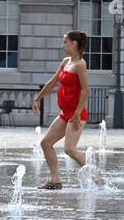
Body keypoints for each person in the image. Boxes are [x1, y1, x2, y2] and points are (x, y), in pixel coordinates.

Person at [32, 31, 90, 190]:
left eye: (65, 42)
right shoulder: (66, 61)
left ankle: (96, 177)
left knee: (69, 149)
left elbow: (86, 90)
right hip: (66, 113)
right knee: (46, 143)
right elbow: (52, 82)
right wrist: (38, 98)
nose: (62, 45)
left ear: (74, 44)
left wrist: (78, 113)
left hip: (76, 114)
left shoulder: (80, 64)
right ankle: (55, 180)